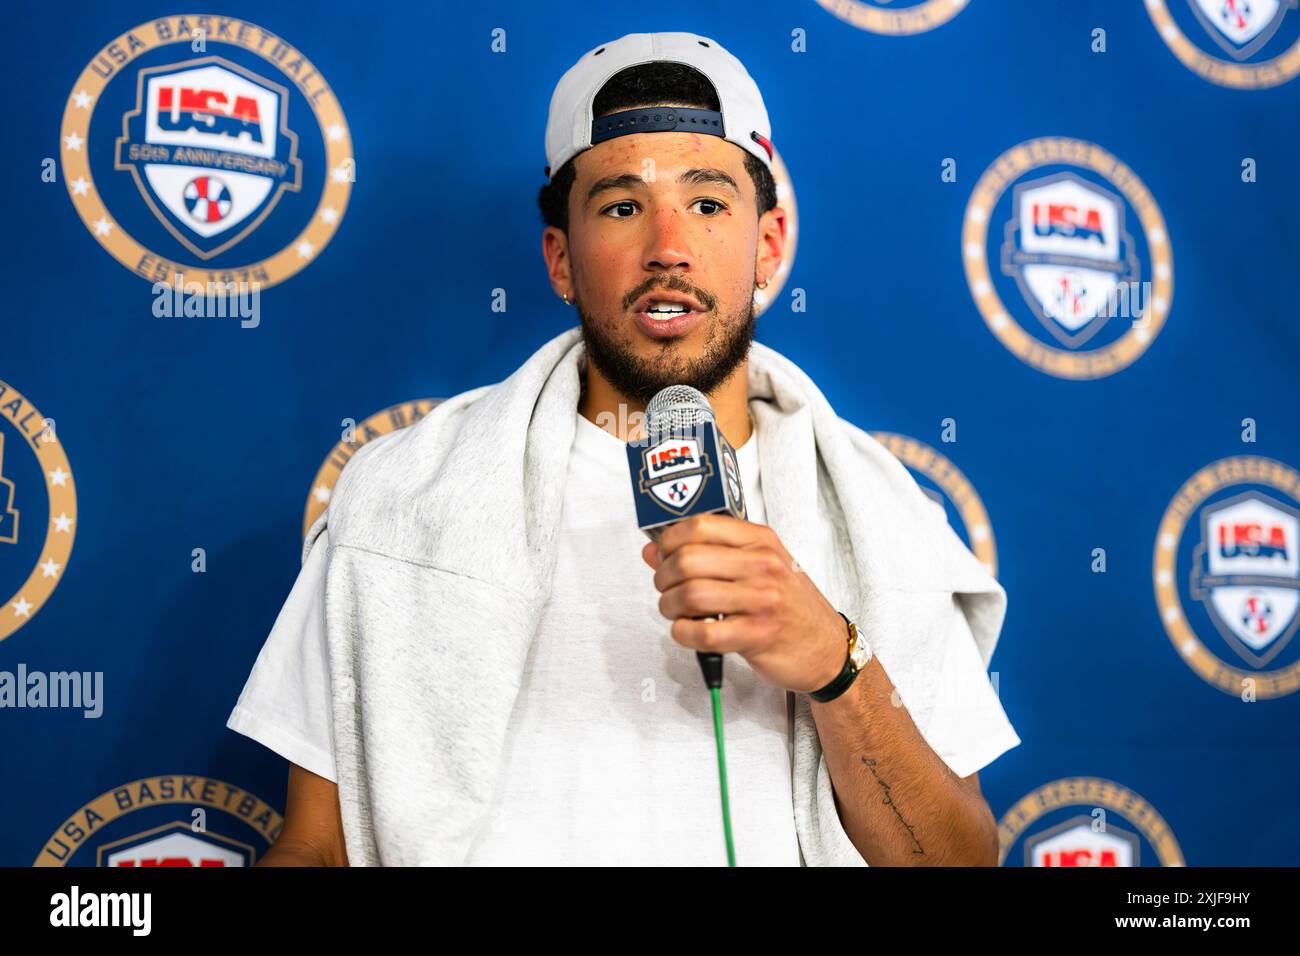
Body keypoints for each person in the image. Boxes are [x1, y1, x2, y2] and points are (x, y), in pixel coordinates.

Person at [226, 31, 1019, 866]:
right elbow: (317, 847)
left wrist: (834, 659)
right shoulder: (400, 497)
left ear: (770, 246)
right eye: (621, 205)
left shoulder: (889, 516)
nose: (667, 246)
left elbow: (958, 860)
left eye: (708, 204)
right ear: (560, 260)